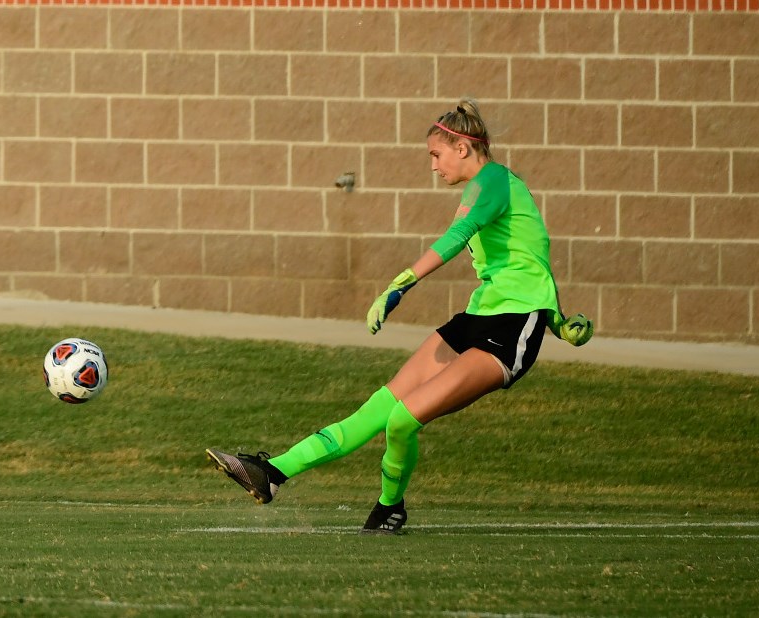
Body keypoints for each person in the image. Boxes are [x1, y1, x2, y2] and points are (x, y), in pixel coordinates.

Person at [206, 98, 594, 535]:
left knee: (403, 419)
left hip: (511, 328)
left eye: (436, 154)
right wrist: (561, 321)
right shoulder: (482, 189)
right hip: (477, 316)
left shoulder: (495, 181)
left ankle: (390, 507)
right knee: (380, 407)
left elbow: (467, 242)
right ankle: (273, 472)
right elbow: (527, 255)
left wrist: (401, 283)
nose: (433, 166)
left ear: (462, 148)